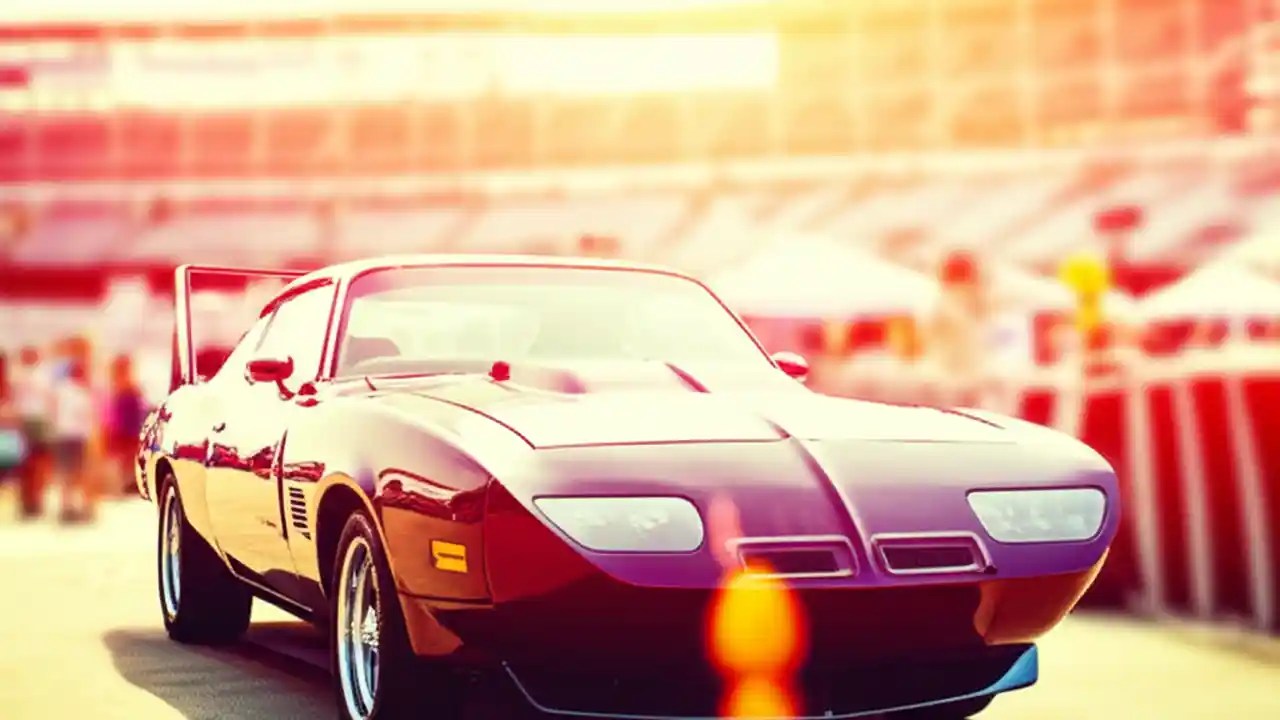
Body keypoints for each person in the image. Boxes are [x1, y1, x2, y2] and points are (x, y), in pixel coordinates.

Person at [49, 342, 98, 523]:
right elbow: (88, 417)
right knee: (79, 473)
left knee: (65, 473)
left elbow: (52, 409)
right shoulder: (83, 392)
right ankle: (81, 508)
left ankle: (66, 507)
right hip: (77, 436)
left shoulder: (61, 389)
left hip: (63, 435)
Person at [13, 346, 53, 519]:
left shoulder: (20, 377)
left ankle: (30, 501)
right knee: (37, 463)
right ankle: (34, 501)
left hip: (27, 422)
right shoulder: (42, 376)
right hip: (36, 421)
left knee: (28, 465)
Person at [104, 354, 148, 497]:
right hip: (125, 428)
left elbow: (137, 410)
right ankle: (128, 483)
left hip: (129, 428)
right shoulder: (125, 389)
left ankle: (130, 482)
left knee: (129, 457)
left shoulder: (128, 389)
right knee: (126, 458)